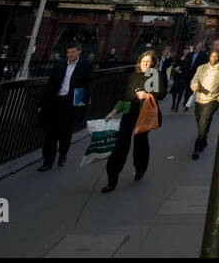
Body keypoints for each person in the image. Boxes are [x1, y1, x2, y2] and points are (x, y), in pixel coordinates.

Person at [102, 51, 163, 193]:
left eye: (148, 62)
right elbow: (125, 97)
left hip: (145, 113)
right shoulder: (132, 76)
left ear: (153, 63)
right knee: (121, 143)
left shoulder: (154, 75)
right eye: (143, 61)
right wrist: (113, 112)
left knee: (140, 141)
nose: (145, 64)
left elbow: (160, 93)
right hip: (129, 112)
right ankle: (112, 177)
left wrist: (147, 94)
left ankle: (140, 168)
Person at [37, 42, 93, 170]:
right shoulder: (60, 64)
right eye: (68, 52)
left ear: (79, 51)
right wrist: (42, 103)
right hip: (56, 101)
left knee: (65, 131)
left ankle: (63, 154)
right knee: (50, 132)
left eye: (73, 52)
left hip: (71, 103)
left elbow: (89, 84)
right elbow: (50, 84)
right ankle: (48, 161)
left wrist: (84, 99)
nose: (70, 55)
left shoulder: (86, 66)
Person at [189, 43, 219, 159]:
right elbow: (194, 80)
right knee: (201, 121)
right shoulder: (201, 68)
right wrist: (194, 86)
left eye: (216, 57)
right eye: (212, 56)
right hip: (199, 98)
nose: (214, 58)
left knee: (204, 121)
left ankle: (197, 147)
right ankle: (203, 140)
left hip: (212, 100)